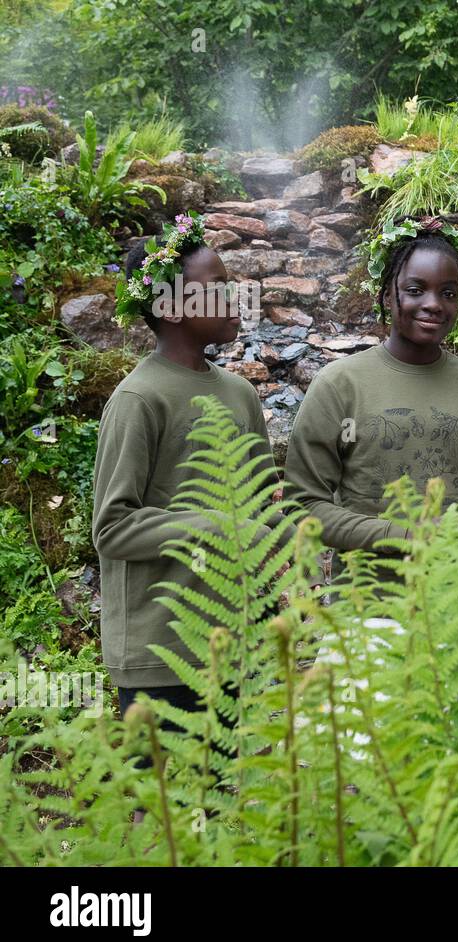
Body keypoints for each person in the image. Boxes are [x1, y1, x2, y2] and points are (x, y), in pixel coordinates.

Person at [94, 212, 277, 727]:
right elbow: (113, 528)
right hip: (160, 657)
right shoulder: (138, 398)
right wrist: (220, 525)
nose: (235, 297)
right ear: (172, 307)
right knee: (168, 806)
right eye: (217, 287)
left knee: (227, 801)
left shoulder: (240, 394)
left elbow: (262, 507)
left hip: (235, 644)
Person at [285, 215, 458, 579]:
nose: (434, 304)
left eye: (448, 293)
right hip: (366, 609)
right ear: (386, 295)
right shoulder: (339, 385)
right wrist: (406, 536)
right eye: (415, 290)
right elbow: (304, 504)